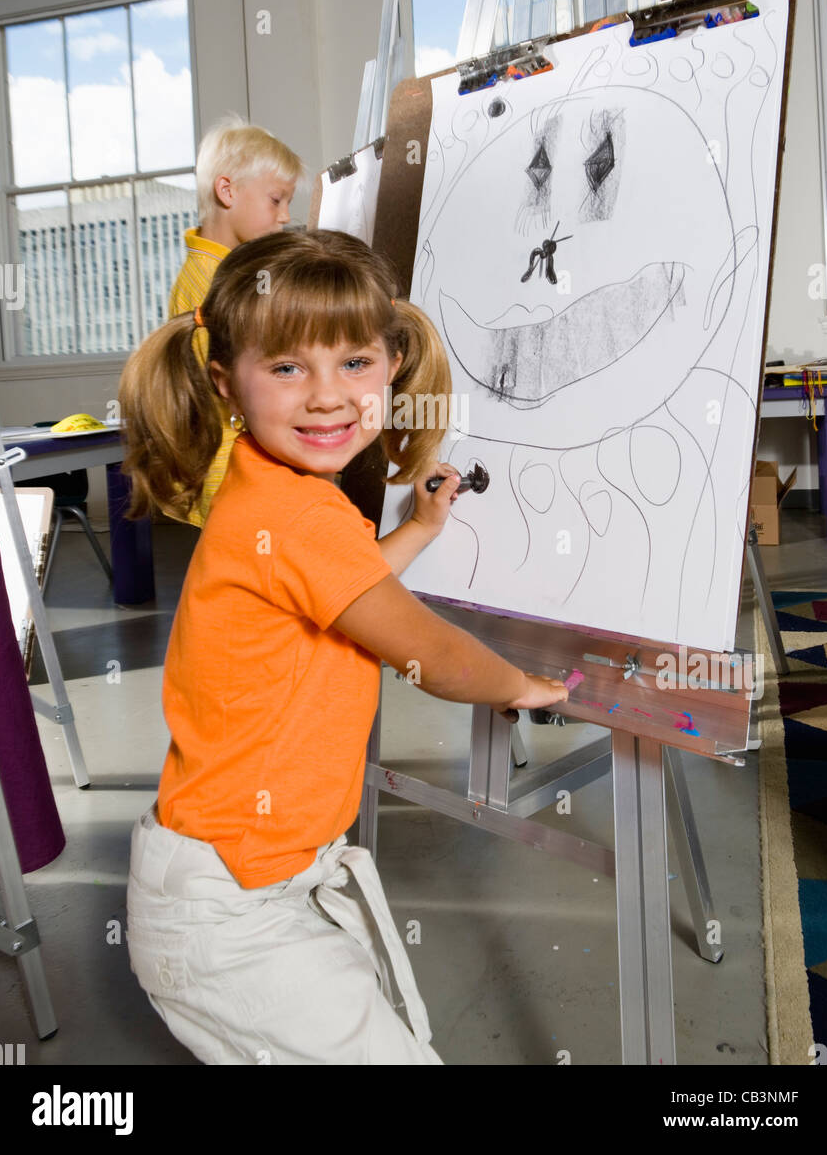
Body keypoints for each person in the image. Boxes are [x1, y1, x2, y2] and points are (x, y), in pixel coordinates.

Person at [119, 228, 569, 1066]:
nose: (328, 396)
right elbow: (428, 652)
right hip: (233, 912)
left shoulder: (280, 498)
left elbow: (344, 600)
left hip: (246, 877)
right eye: (287, 368)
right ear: (226, 385)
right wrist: (519, 684)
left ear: (392, 364)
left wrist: (423, 530)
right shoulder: (300, 515)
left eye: (354, 363)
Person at [168, 113, 304, 527]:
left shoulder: (220, 272)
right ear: (226, 190)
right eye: (276, 199)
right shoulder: (213, 284)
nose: (284, 216)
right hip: (228, 467)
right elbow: (233, 391)